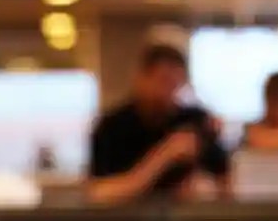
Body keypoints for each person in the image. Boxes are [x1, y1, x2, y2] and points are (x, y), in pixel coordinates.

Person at [87, 44, 230, 203]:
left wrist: (204, 185)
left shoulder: (194, 121)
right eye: (163, 81)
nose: (169, 92)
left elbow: (225, 183)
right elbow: (99, 192)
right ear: (141, 78)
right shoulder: (112, 126)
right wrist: (165, 154)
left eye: (176, 83)